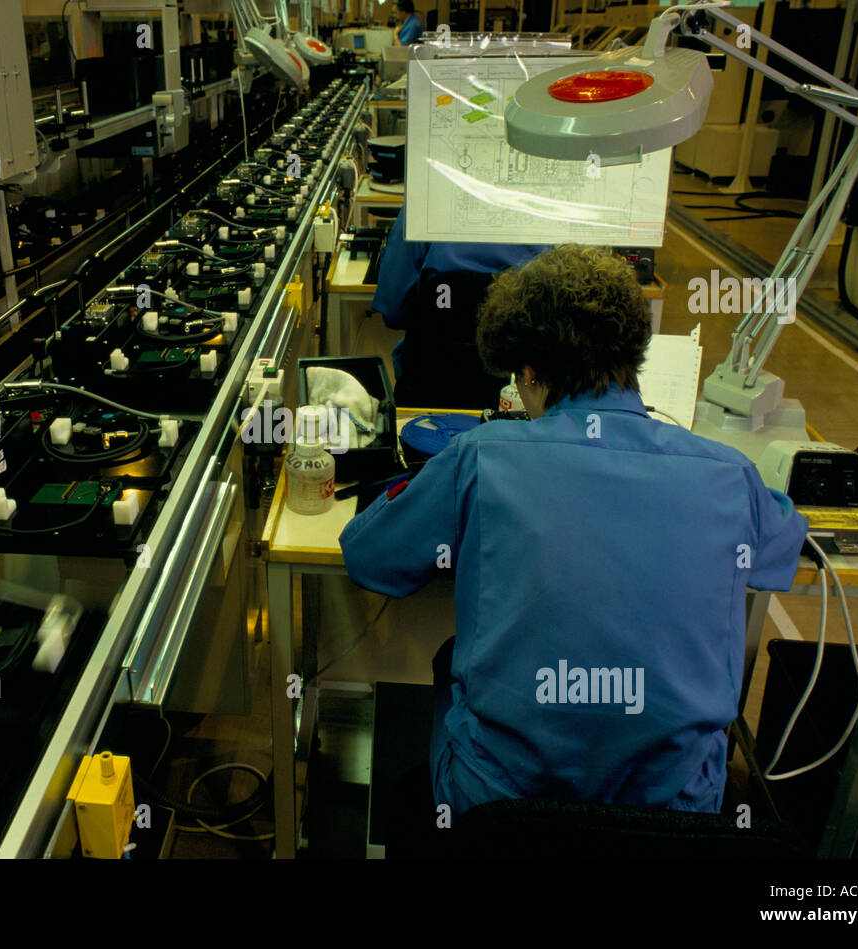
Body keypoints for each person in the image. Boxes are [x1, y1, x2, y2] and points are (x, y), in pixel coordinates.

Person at [340, 244, 809, 820]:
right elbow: (786, 547)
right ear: (633, 357)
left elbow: (367, 556)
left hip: (505, 812)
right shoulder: (730, 476)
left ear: (529, 373)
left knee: (450, 667)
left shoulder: (481, 458)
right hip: (677, 821)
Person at [370, 206, 548, 407]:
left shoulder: (425, 201)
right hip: (528, 392)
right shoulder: (558, 210)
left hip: (431, 387)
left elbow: (393, 312)